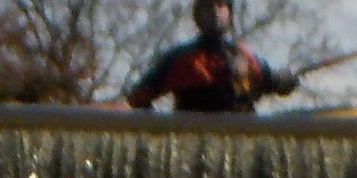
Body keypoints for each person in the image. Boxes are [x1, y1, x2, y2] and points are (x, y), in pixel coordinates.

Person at [127, 0, 299, 114]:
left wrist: (283, 80)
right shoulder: (180, 59)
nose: (215, 12)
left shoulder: (244, 57)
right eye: (208, 6)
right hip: (192, 145)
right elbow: (138, 97)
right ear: (198, 16)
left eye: (220, 5)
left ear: (229, 13)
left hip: (238, 145)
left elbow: (278, 81)